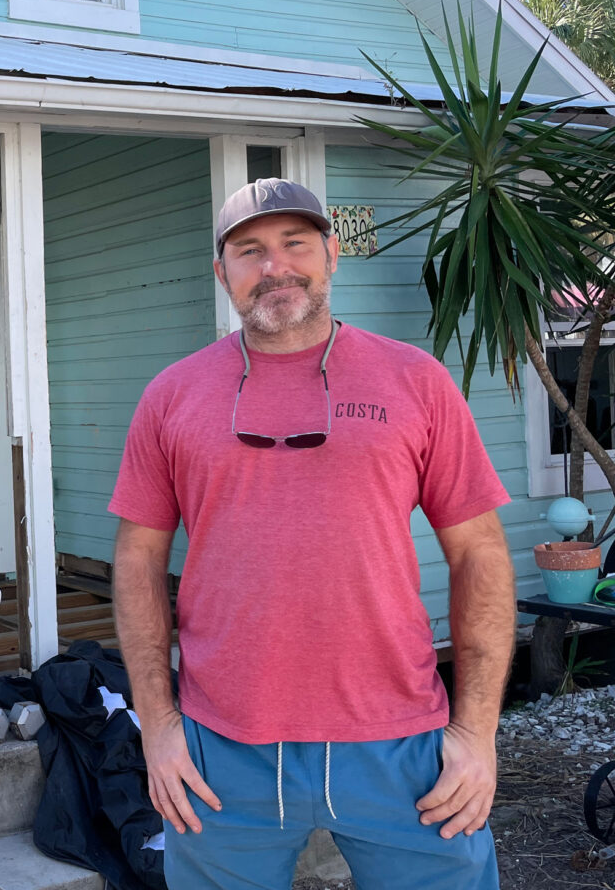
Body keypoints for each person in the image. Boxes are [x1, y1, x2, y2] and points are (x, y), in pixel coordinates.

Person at [110, 178, 516, 890]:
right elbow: (138, 560)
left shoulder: (416, 382)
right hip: (220, 751)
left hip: (399, 744)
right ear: (222, 272)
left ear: (331, 254)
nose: (275, 266)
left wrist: (477, 735)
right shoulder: (171, 396)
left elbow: (479, 552)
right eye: (249, 250)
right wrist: (159, 726)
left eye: (295, 243)